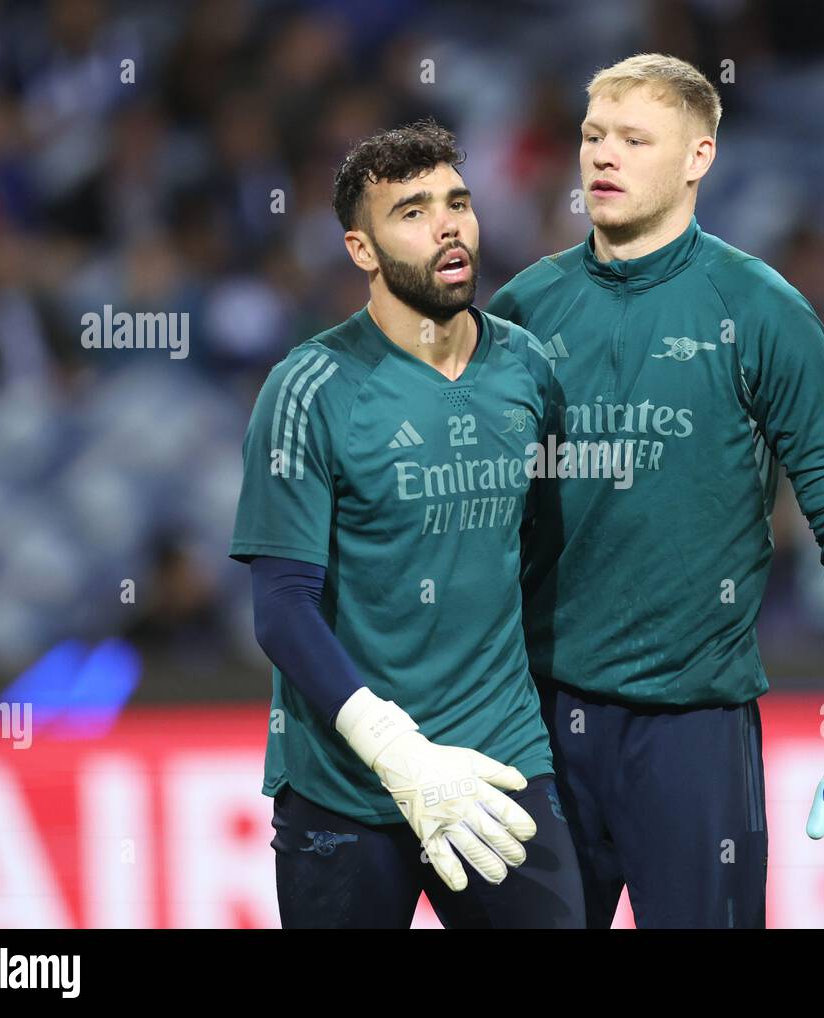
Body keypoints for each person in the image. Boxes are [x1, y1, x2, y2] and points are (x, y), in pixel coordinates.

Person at [487, 53, 824, 929]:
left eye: (634, 139)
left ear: (698, 158)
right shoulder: (523, 311)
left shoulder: (762, 311)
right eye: (593, 135)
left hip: (694, 732)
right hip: (536, 725)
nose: (603, 156)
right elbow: (477, 524)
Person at [229, 119, 584, 928]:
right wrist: (399, 751)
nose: (448, 224)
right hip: (345, 786)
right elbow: (281, 607)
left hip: (501, 767)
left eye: (457, 202)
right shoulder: (309, 388)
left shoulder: (528, 368)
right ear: (362, 250)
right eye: (413, 212)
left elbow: (542, 552)